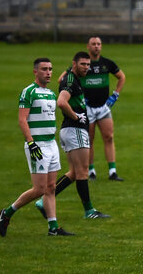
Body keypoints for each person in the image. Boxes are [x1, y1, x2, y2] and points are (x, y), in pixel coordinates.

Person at [0, 57, 73, 237]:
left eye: (50, 69)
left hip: (51, 144)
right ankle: (7, 213)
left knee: (51, 187)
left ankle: (53, 228)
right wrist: (31, 143)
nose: (48, 72)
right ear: (35, 72)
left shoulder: (51, 94)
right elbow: (22, 119)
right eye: (44, 69)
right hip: (37, 145)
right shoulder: (28, 92)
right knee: (39, 189)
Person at [34, 52, 110, 221]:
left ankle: (42, 202)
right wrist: (76, 116)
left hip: (70, 130)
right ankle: (89, 211)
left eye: (88, 64)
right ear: (74, 64)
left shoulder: (72, 79)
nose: (87, 67)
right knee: (82, 173)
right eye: (83, 64)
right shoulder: (71, 80)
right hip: (75, 129)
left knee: (75, 172)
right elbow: (61, 102)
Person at [69, 36, 126, 182]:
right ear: (88, 46)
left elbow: (121, 77)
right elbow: (65, 78)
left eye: (99, 44)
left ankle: (112, 171)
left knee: (109, 137)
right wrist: (78, 96)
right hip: (87, 108)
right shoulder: (82, 64)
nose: (96, 46)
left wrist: (115, 95)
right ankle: (91, 170)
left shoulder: (106, 63)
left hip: (104, 107)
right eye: (93, 44)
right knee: (90, 139)